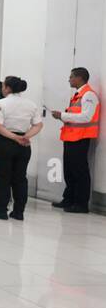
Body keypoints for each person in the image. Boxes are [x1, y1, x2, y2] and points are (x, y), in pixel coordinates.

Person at [0, 75, 43, 221]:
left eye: (3, 86)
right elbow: (38, 124)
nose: (2, 89)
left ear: (8, 88)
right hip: (24, 145)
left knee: (3, 177)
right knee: (20, 178)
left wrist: (14, 137)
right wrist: (25, 136)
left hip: (4, 143)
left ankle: (1, 210)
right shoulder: (31, 104)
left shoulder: (1, 103)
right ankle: (19, 212)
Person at [51, 67, 99, 213]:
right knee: (69, 170)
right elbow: (76, 116)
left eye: (71, 77)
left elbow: (86, 117)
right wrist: (63, 116)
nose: (69, 79)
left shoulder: (88, 95)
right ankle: (69, 199)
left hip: (81, 138)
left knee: (79, 171)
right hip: (71, 136)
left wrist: (63, 116)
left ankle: (81, 204)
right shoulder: (78, 95)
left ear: (80, 78)